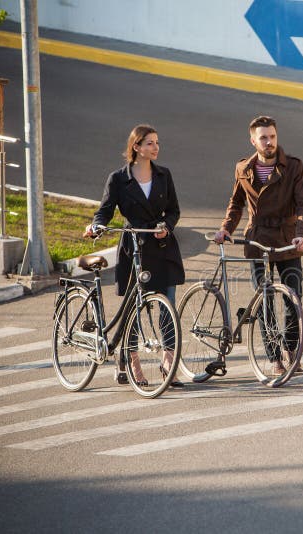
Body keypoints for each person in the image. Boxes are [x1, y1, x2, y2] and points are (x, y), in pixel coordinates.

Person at [83, 124, 186, 387]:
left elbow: (174, 210)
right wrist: (96, 226)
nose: (156, 147)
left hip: (162, 248)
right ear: (136, 147)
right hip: (134, 247)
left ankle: (168, 362)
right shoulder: (118, 179)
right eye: (150, 143)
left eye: (157, 142)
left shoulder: (164, 175)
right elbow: (104, 211)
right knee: (133, 310)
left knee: (167, 306)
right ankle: (131, 363)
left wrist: (167, 226)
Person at [212, 115, 303, 375]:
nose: (269, 142)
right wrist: (225, 229)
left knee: (293, 300)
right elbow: (236, 204)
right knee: (265, 301)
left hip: (288, 241)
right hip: (257, 241)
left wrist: (302, 235)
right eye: (263, 138)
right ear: (253, 140)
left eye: (273, 137)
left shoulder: (294, 167)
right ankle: (274, 357)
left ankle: (292, 349)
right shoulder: (243, 169)